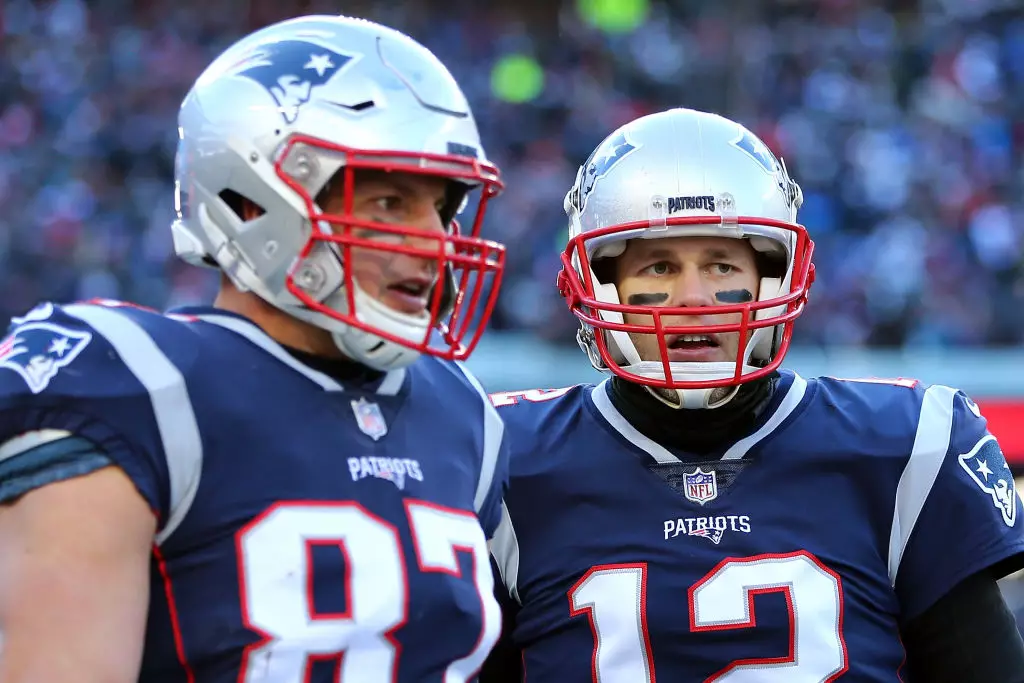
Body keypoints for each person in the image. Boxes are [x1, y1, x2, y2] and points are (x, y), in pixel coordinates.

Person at [0, 14, 510, 683]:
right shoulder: (134, 384)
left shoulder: (461, 412)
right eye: (388, 201)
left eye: (442, 208)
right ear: (248, 200)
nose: (434, 241)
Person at [480, 108, 1024, 682]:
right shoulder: (504, 459)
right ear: (593, 282)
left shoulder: (902, 446)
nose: (693, 298)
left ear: (781, 275)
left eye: (721, 264)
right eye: (659, 266)